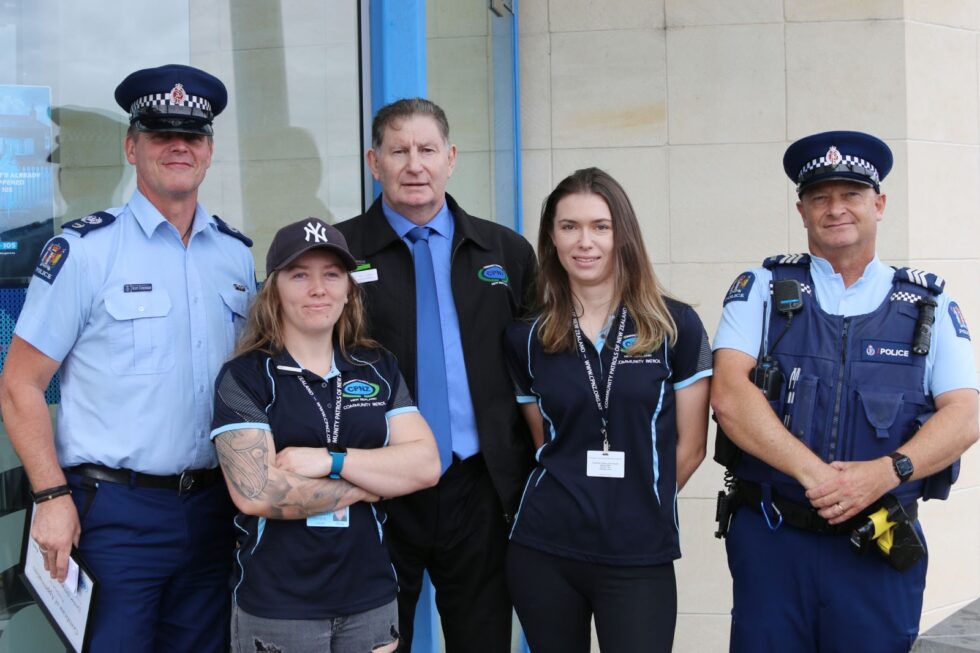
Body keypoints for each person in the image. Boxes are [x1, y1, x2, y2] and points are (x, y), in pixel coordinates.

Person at [0, 64, 256, 651]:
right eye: (161, 134)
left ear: (209, 151)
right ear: (131, 146)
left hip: (215, 508)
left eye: (191, 136)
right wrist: (50, 497)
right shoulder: (86, 251)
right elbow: (20, 385)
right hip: (115, 515)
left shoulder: (235, 258)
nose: (178, 147)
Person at [711, 130, 979, 652]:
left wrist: (885, 472)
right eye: (820, 198)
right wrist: (818, 476)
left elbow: (965, 413)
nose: (836, 209)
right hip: (773, 539)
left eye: (851, 195)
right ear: (802, 210)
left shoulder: (928, 304)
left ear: (879, 205)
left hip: (876, 542)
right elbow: (728, 393)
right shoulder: (763, 289)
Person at [335, 97, 537, 652]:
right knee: (373, 643)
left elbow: (539, 366)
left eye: (426, 150)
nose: (414, 164)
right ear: (374, 162)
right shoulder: (338, 253)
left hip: (480, 488)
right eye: (398, 151)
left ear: (450, 158)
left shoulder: (507, 252)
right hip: (375, 488)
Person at [503, 167, 712, 652]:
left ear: (624, 235)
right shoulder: (526, 336)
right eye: (569, 227)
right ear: (551, 238)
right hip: (544, 549)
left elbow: (693, 446)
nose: (585, 242)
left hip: (638, 554)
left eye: (600, 226)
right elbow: (545, 443)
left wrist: (635, 501)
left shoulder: (675, 326)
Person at [210, 217, 440, 653]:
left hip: (370, 598)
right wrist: (368, 483)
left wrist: (332, 461)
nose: (318, 289)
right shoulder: (245, 377)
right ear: (274, 289)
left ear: (349, 288)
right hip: (280, 605)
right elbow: (256, 490)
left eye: (332, 275)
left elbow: (426, 464)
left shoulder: (377, 367)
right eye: (300, 275)